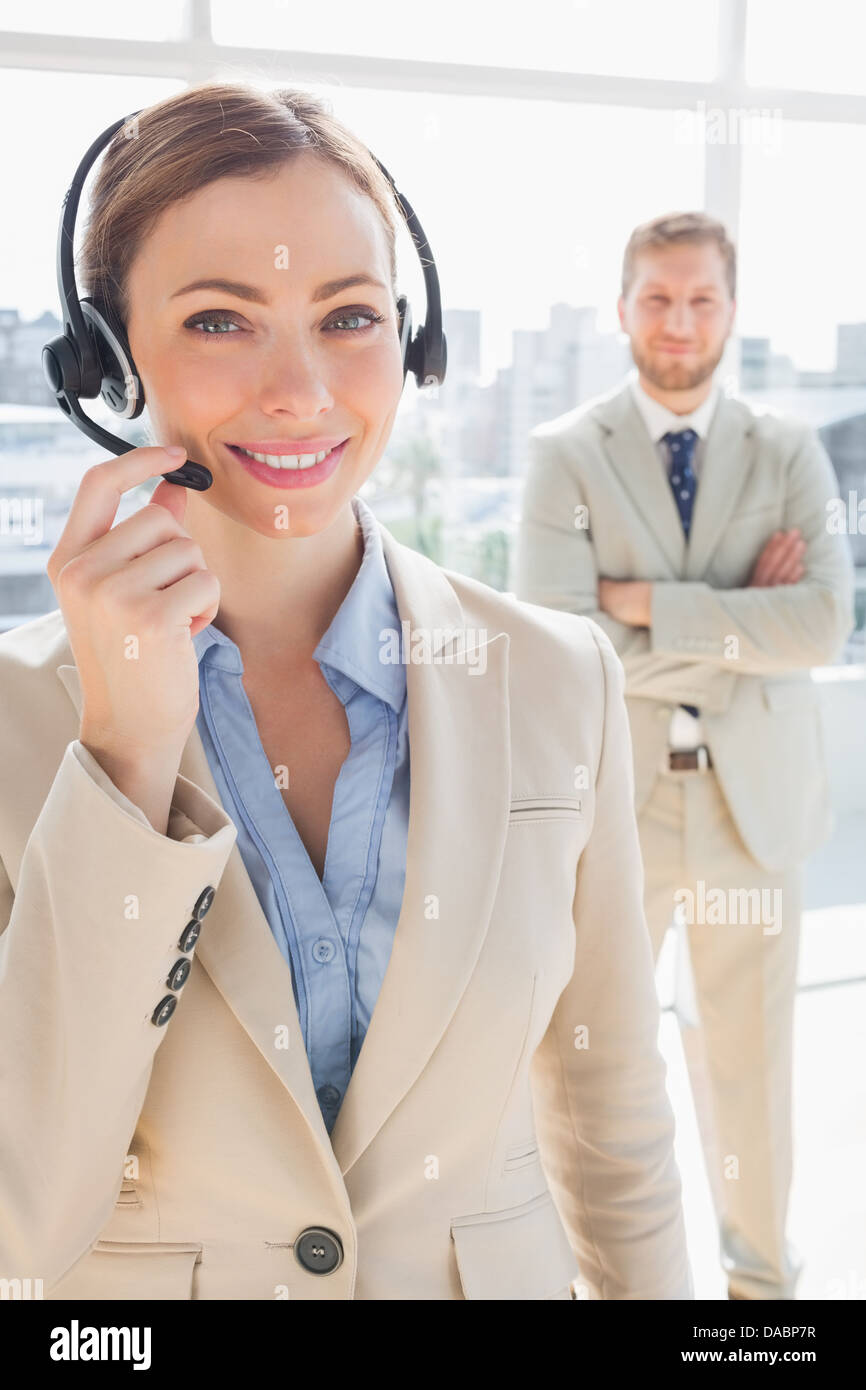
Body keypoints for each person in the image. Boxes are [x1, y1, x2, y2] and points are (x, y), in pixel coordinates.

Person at [0, 83, 691, 1301]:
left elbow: (614, 1117)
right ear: (105, 360)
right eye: (221, 321)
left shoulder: (552, 677)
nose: (302, 390)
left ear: (412, 340)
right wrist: (121, 759)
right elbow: (20, 1219)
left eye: (350, 316)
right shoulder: (18, 717)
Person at [514, 211, 855, 1301]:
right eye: (655, 298)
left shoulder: (786, 448)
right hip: (610, 810)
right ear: (621, 308)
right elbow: (566, 651)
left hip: (747, 810)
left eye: (699, 297)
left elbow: (822, 626)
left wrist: (647, 606)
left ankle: (759, 1294)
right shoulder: (560, 455)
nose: (676, 320)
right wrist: (736, 619)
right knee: (593, 1064)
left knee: (749, 1066)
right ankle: (605, 1285)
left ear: (730, 311)